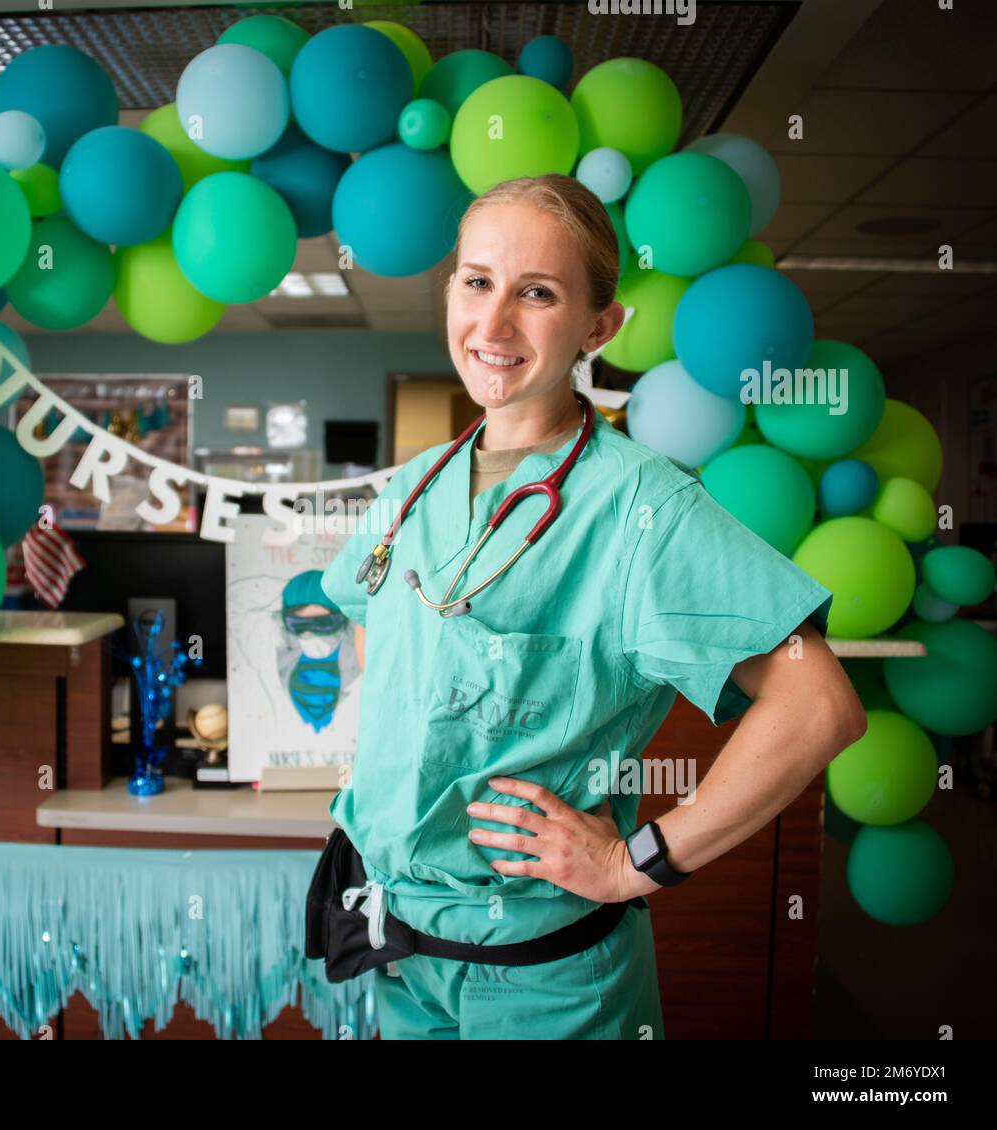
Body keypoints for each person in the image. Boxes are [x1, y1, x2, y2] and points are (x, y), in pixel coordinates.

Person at [317, 173, 867, 1040]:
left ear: (598, 327)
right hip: (401, 952)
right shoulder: (419, 483)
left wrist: (631, 861)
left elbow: (818, 706)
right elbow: (372, 628)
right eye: (477, 281)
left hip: (542, 980)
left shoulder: (643, 507)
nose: (493, 324)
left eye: (537, 293)